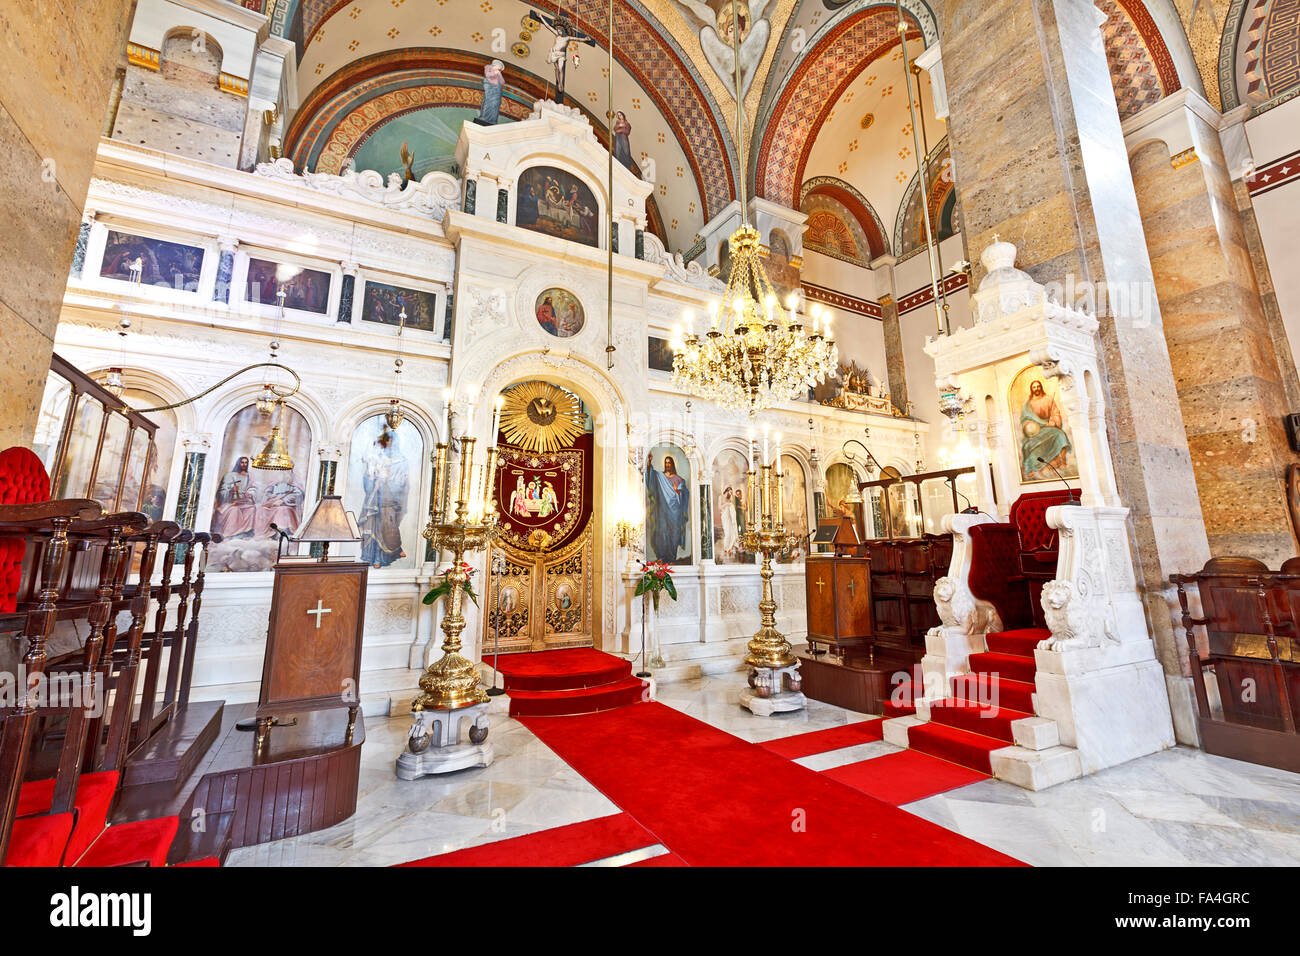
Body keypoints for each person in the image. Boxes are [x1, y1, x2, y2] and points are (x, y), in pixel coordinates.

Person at [358, 428, 409, 568]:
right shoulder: (377, 457)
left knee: (388, 523)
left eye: (391, 441)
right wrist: (374, 478)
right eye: (387, 441)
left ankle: (394, 550)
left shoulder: (401, 460)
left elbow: (402, 481)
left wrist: (387, 480)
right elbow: (369, 475)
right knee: (374, 523)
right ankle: (374, 557)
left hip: (389, 497)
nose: (389, 444)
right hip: (376, 496)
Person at [1019, 379, 1071, 480]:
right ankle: (1033, 467)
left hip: (1049, 426)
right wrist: (1029, 426)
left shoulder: (1048, 399)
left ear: (1041, 387)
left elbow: (1055, 413)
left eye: (1038, 386)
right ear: (1031, 389)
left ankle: (1060, 462)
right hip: (1035, 431)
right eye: (1034, 387)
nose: (1036, 389)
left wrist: (1052, 422)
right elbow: (1025, 419)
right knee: (1028, 445)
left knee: (1060, 435)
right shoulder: (1027, 404)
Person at [645, 452, 689, 563]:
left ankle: (671, 558)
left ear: (673, 464)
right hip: (662, 510)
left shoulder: (679, 480)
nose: (667, 465)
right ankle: (661, 557)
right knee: (661, 531)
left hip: (675, 512)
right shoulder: (660, 477)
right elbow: (651, 477)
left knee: (673, 533)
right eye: (666, 463)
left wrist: (677, 491)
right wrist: (649, 464)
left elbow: (684, 493)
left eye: (669, 463)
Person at [212, 456, 258, 537]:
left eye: (246, 462)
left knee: (251, 509)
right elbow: (221, 492)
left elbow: (253, 488)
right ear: (238, 463)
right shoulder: (229, 476)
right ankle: (231, 534)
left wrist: (249, 493)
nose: (244, 464)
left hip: (243, 501)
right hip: (230, 502)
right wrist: (231, 490)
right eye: (242, 462)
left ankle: (245, 532)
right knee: (234, 510)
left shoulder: (249, 476)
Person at [257, 474, 305, 539]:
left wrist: (283, 501)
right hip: (273, 503)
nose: (283, 473)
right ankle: (265, 533)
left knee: (282, 510)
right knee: (262, 509)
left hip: (287, 505)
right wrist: (271, 496)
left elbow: (298, 494)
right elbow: (267, 493)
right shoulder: (274, 483)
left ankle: (279, 533)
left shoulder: (294, 483)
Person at [475, 59, 505, 125]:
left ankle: (492, 120)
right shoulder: (488, 67)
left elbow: (502, 82)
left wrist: (499, 74)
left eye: (500, 68)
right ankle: (485, 117)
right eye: (499, 67)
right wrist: (495, 72)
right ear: (496, 65)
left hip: (497, 89)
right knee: (489, 101)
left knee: (496, 103)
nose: (500, 69)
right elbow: (488, 75)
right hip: (491, 87)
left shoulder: (498, 72)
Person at [719, 486, 740, 560]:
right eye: (730, 492)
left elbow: (733, 506)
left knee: (733, 533)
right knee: (727, 533)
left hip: (731, 517)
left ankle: (730, 548)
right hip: (725, 517)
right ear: (726, 491)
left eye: (731, 492)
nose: (731, 493)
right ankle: (726, 548)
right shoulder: (721, 497)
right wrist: (727, 505)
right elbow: (720, 507)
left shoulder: (731, 498)